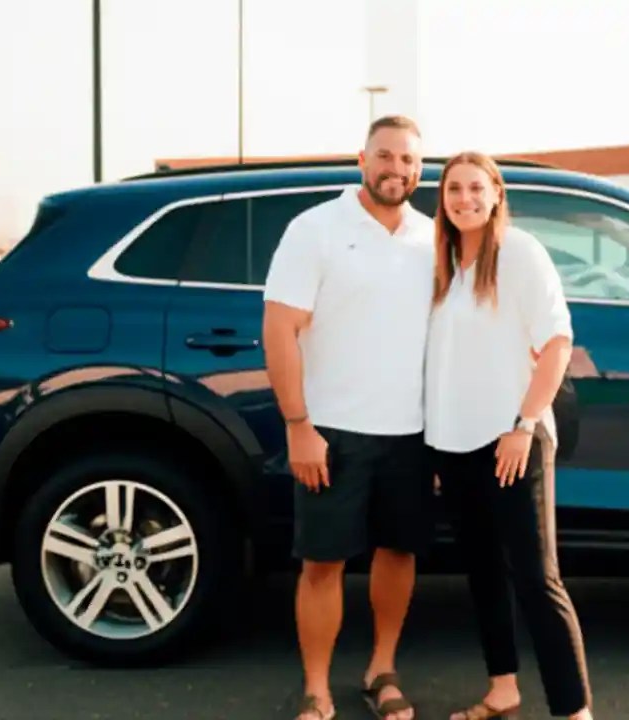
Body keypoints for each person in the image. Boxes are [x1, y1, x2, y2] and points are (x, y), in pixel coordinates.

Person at [262, 115, 435, 720]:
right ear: (361, 160)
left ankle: (381, 671)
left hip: (412, 432)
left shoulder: (432, 237)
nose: (397, 169)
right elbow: (280, 329)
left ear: (419, 168)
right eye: (385, 156)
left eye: (409, 160)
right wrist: (298, 425)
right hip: (331, 430)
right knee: (323, 562)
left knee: (398, 553)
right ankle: (316, 688)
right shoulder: (316, 229)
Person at [424, 152, 595, 720]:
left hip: (511, 441)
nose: (464, 198)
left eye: (476, 188)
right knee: (483, 573)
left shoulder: (519, 253)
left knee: (537, 580)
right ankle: (502, 690)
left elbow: (557, 343)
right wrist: (432, 443)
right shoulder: (443, 263)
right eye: (454, 189)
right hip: (453, 444)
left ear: (497, 193)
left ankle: (574, 712)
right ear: (442, 198)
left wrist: (523, 426)